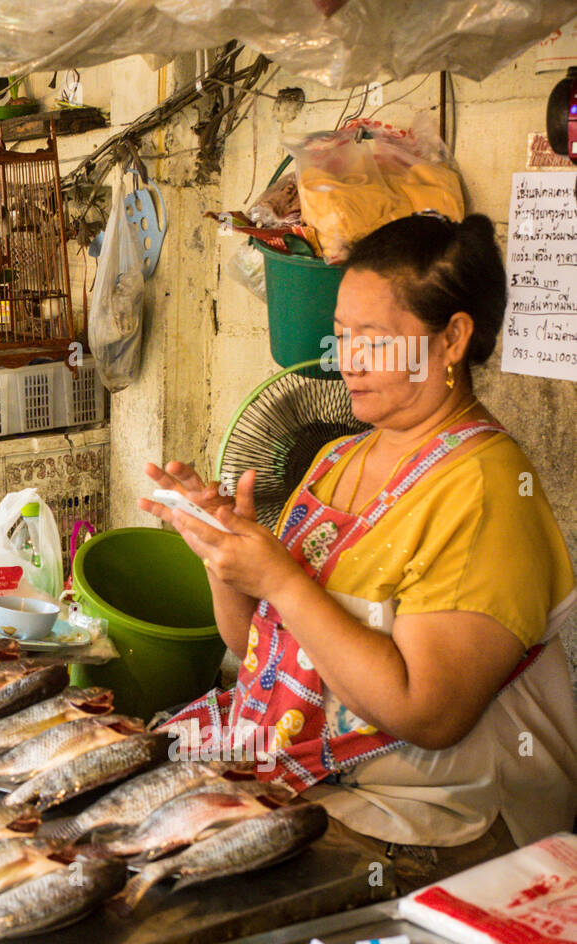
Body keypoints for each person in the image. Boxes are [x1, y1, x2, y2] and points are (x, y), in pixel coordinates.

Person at [141, 213, 576, 890]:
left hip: (435, 818)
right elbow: (256, 649)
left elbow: (427, 713)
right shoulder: (341, 456)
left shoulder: (485, 486)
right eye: (341, 337)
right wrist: (226, 555)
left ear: (453, 337)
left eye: (372, 341)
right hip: (313, 775)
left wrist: (283, 580)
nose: (346, 360)